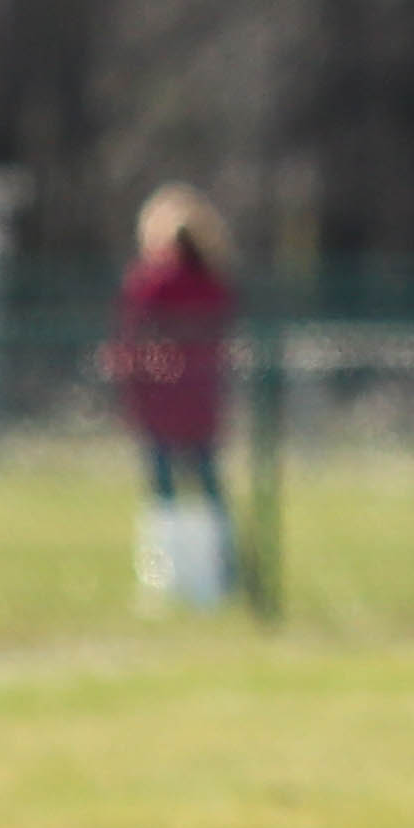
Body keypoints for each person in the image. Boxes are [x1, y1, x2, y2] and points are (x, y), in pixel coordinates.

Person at [107, 187, 239, 610]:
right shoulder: (214, 284)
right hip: (201, 401)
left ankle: (165, 579)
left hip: (162, 404)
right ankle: (220, 575)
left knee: (163, 493)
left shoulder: (151, 283)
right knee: (208, 489)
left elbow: (133, 344)